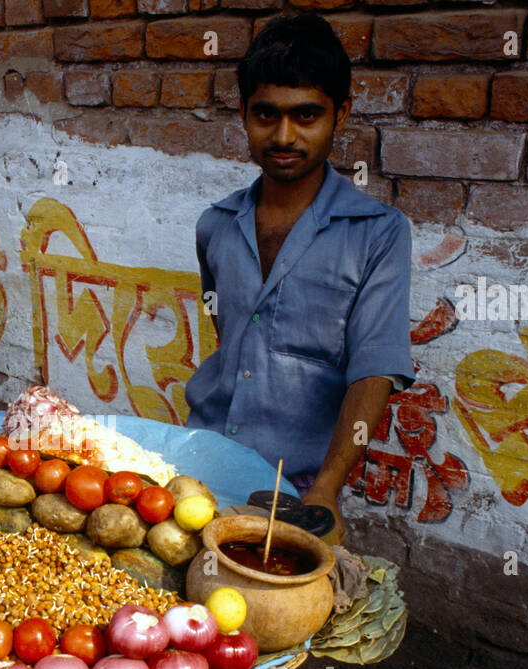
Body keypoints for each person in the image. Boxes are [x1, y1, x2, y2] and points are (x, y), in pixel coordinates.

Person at [185, 14, 414, 548]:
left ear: (341, 114)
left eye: (306, 115)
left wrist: (327, 492)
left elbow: (376, 366)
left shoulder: (378, 234)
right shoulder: (215, 225)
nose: (284, 135)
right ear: (244, 113)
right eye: (266, 114)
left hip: (297, 487)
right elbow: (232, 331)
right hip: (199, 457)